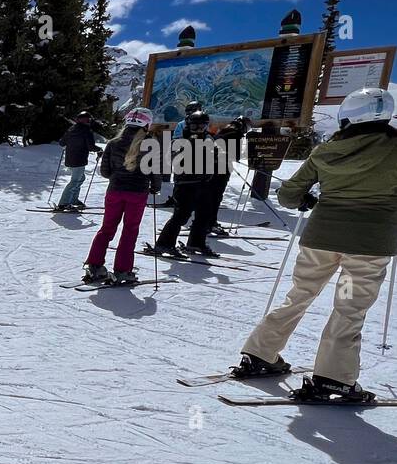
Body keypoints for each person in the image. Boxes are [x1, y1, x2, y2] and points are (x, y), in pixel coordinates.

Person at [233, 87, 397, 403]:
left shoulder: (326, 150)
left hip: (320, 238)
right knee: (348, 308)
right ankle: (333, 377)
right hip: (367, 243)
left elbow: (288, 195)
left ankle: (259, 352)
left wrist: (307, 197)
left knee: (300, 294)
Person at [83, 107, 161, 285]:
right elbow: (155, 171)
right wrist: (155, 187)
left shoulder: (113, 142)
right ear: (146, 124)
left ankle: (94, 266)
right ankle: (122, 270)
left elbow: (105, 172)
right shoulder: (150, 144)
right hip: (137, 192)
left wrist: (118, 177)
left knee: (107, 229)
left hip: (115, 190)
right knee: (129, 231)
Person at [152, 102, 216, 256]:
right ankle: (164, 244)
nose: (199, 130)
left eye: (202, 126)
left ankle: (196, 243)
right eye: (196, 126)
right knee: (181, 216)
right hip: (186, 184)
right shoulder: (181, 140)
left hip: (203, 183)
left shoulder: (207, 139)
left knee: (204, 213)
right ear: (189, 125)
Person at [55, 110, 100, 211]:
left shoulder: (71, 129)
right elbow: (91, 146)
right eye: (88, 119)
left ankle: (73, 199)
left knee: (80, 178)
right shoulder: (87, 131)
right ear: (87, 121)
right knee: (75, 181)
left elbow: (62, 143)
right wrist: (99, 150)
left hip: (70, 160)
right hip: (79, 160)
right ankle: (64, 203)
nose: (89, 121)